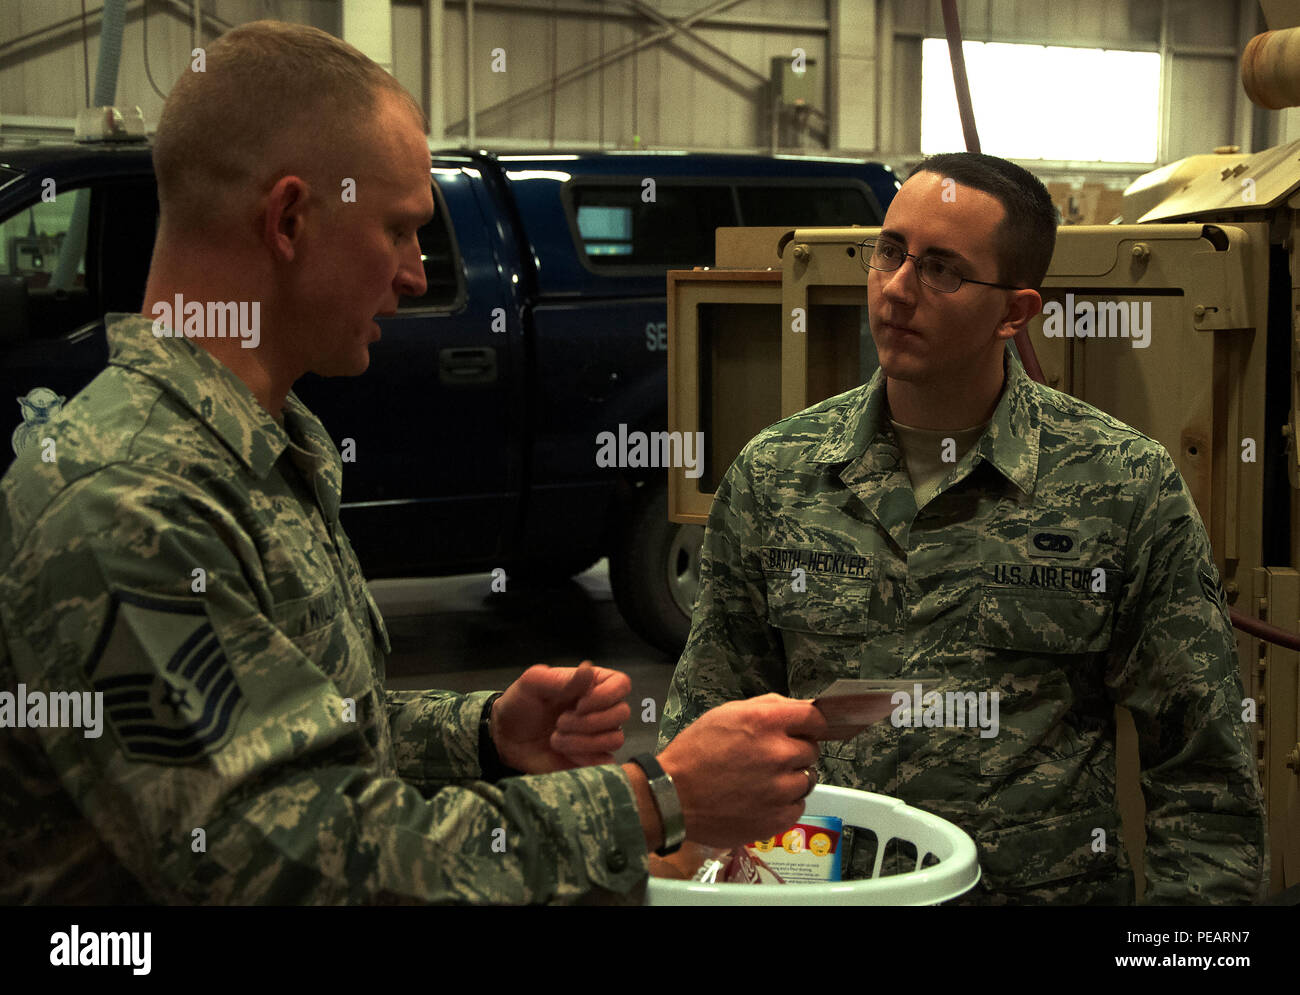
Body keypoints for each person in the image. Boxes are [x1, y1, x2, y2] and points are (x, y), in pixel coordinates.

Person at [0, 20, 830, 904]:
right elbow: (283, 858)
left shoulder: (264, 442)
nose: (414, 273)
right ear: (287, 220)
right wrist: (655, 799)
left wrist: (482, 735)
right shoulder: (132, 496)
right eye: (399, 230)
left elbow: (301, 723)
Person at [658, 152, 1269, 905]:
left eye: (942, 269)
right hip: (827, 890)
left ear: (1015, 312)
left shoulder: (1120, 485)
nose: (896, 289)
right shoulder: (778, 474)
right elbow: (706, 733)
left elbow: (1204, 779)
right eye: (889, 253)